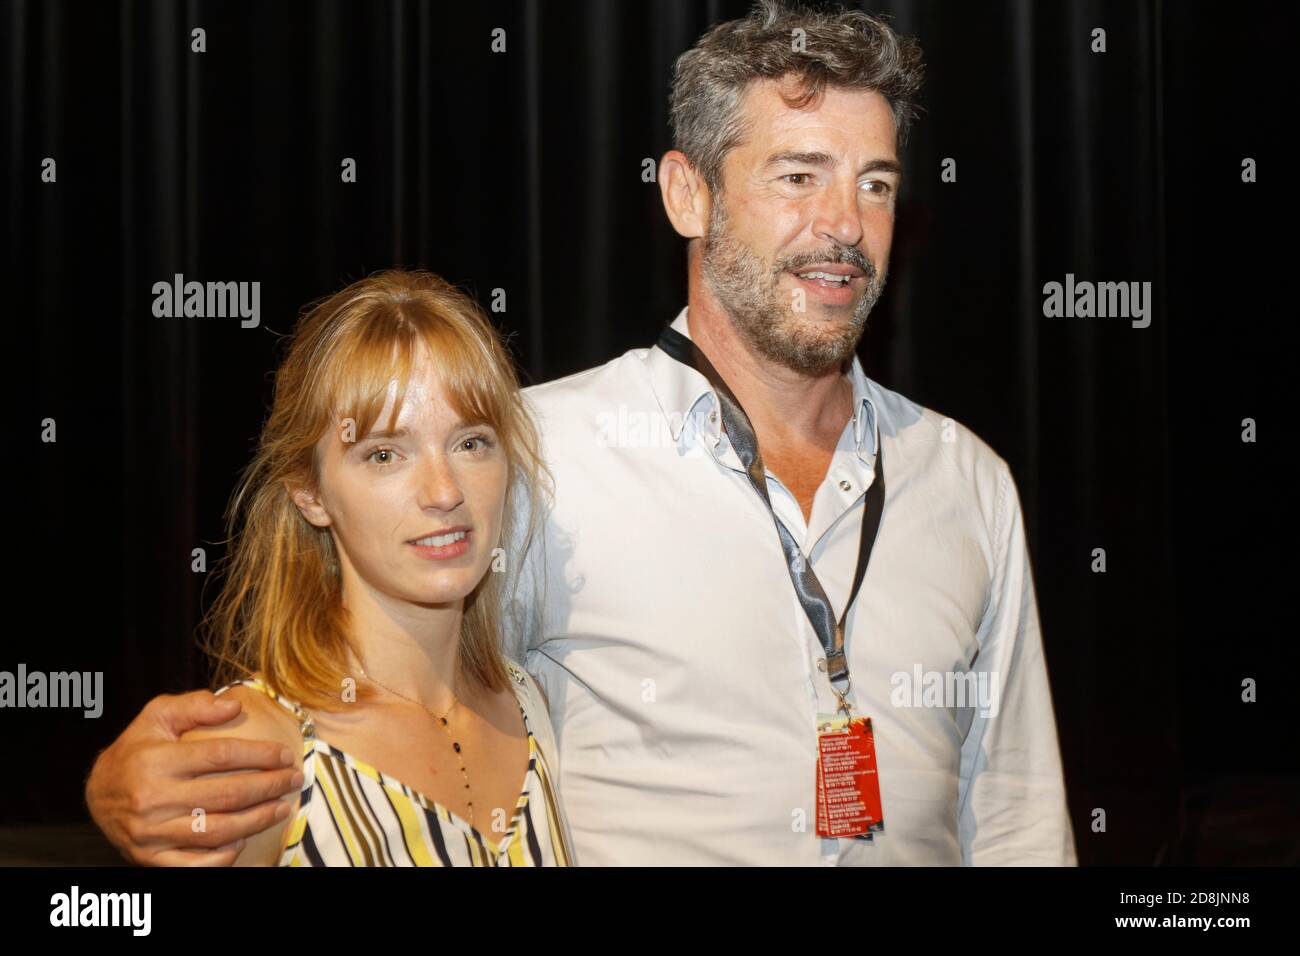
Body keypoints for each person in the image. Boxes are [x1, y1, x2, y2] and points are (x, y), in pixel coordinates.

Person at [86, 0, 1076, 865]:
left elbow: (1018, 813)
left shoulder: (967, 480)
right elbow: (376, 677)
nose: (845, 224)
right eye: (796, 174)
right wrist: (142, 780)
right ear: (688, 193)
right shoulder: (537, 454)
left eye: (874, 182)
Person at [150, 269, 574, 866]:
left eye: (471, 442)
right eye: (384, 454)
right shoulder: (257, 751)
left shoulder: (528, 703)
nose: (444, 490)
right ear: (311, 494)